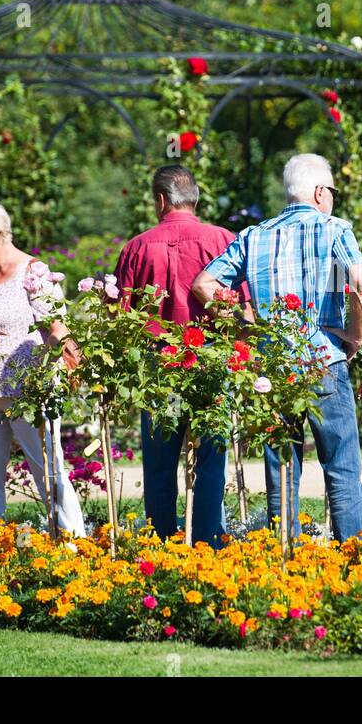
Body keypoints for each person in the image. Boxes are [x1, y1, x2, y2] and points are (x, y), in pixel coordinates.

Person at [191, 153, 362, 541]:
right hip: (325, 360)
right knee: (341, 467)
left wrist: (245, 326)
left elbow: (204, 284)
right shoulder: (335, 230)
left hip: (272, 371)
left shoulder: (254, 235)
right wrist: (354, 336)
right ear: (320, 192)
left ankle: (282, 559)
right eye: (333, 192)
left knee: (282, 472)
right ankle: (358, 563)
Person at [114, 165, 247, 545]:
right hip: (211, 358)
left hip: (159, 365)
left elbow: (122, 319)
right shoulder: (223, 239)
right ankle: (208, 542)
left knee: (159, 463)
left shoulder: (138, 247)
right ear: (195, 199)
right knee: (210, 460)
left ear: (160, 200)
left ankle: (161, 543)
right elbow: (243, 305)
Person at [0, 195, 86, 537]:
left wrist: (79, 366)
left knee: (50, 474)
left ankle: (73, 546)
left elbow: (57, 328)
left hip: (29, 395)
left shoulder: (34, 274)